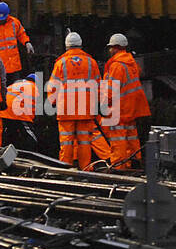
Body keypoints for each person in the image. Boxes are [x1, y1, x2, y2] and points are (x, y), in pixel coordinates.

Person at [48, 32, 101, 170]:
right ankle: (85, 171)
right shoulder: (91, 62)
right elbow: (98, 85)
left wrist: (52, 102)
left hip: (66, 110)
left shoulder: (61, 63)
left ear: (66, 47)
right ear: (81, 45)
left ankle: (65, 171)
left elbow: (53, 86)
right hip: (86, 109)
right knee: (84, 142)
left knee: (66, 142)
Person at [102, 33, 151, 169]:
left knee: (118, 139)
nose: (109, 50)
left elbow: (112, 89)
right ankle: (135, 162)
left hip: (119, 109)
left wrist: (103, 104)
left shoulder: (117, 66)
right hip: (131, 108)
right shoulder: (131, 63)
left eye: (111, 47)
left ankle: (119, 167)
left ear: (116, 48)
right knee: (131, 137)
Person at [0, 1, 33, 81]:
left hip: (13, 66)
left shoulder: (14, 23)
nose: (0, 21)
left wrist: (27, 42)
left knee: (14, 89)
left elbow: (21, 34)